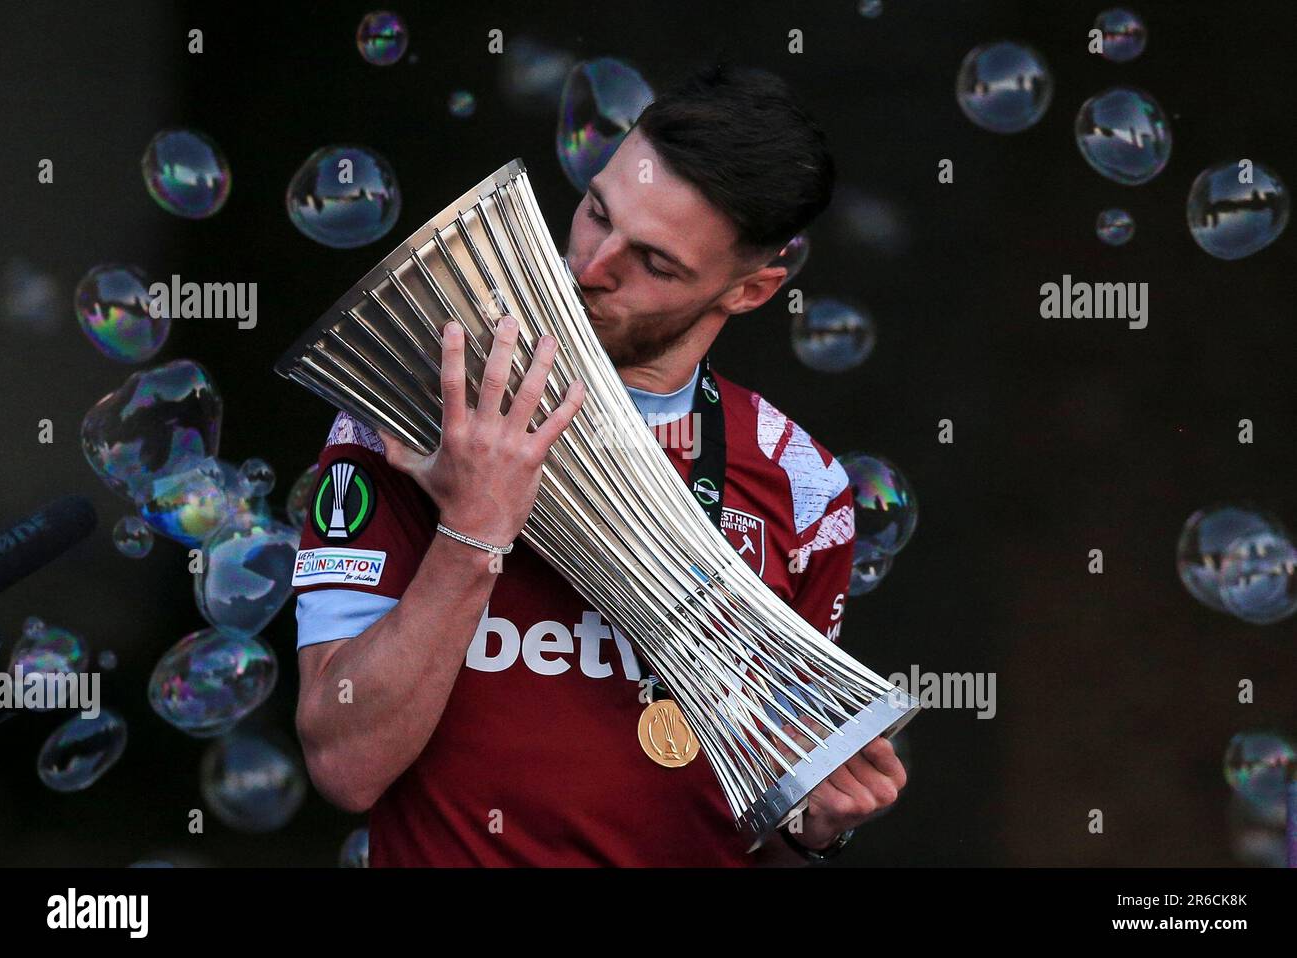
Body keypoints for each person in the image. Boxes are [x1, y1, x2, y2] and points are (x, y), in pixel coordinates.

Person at [291, 63, 907, 866]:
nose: (589, 267)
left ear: (752, 291)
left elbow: (764, 806)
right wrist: (472, 530)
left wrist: (814, 822)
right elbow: (345, 763)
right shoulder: (414, 414)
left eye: (654, 263)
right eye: (594, 212)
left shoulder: (804, 484)